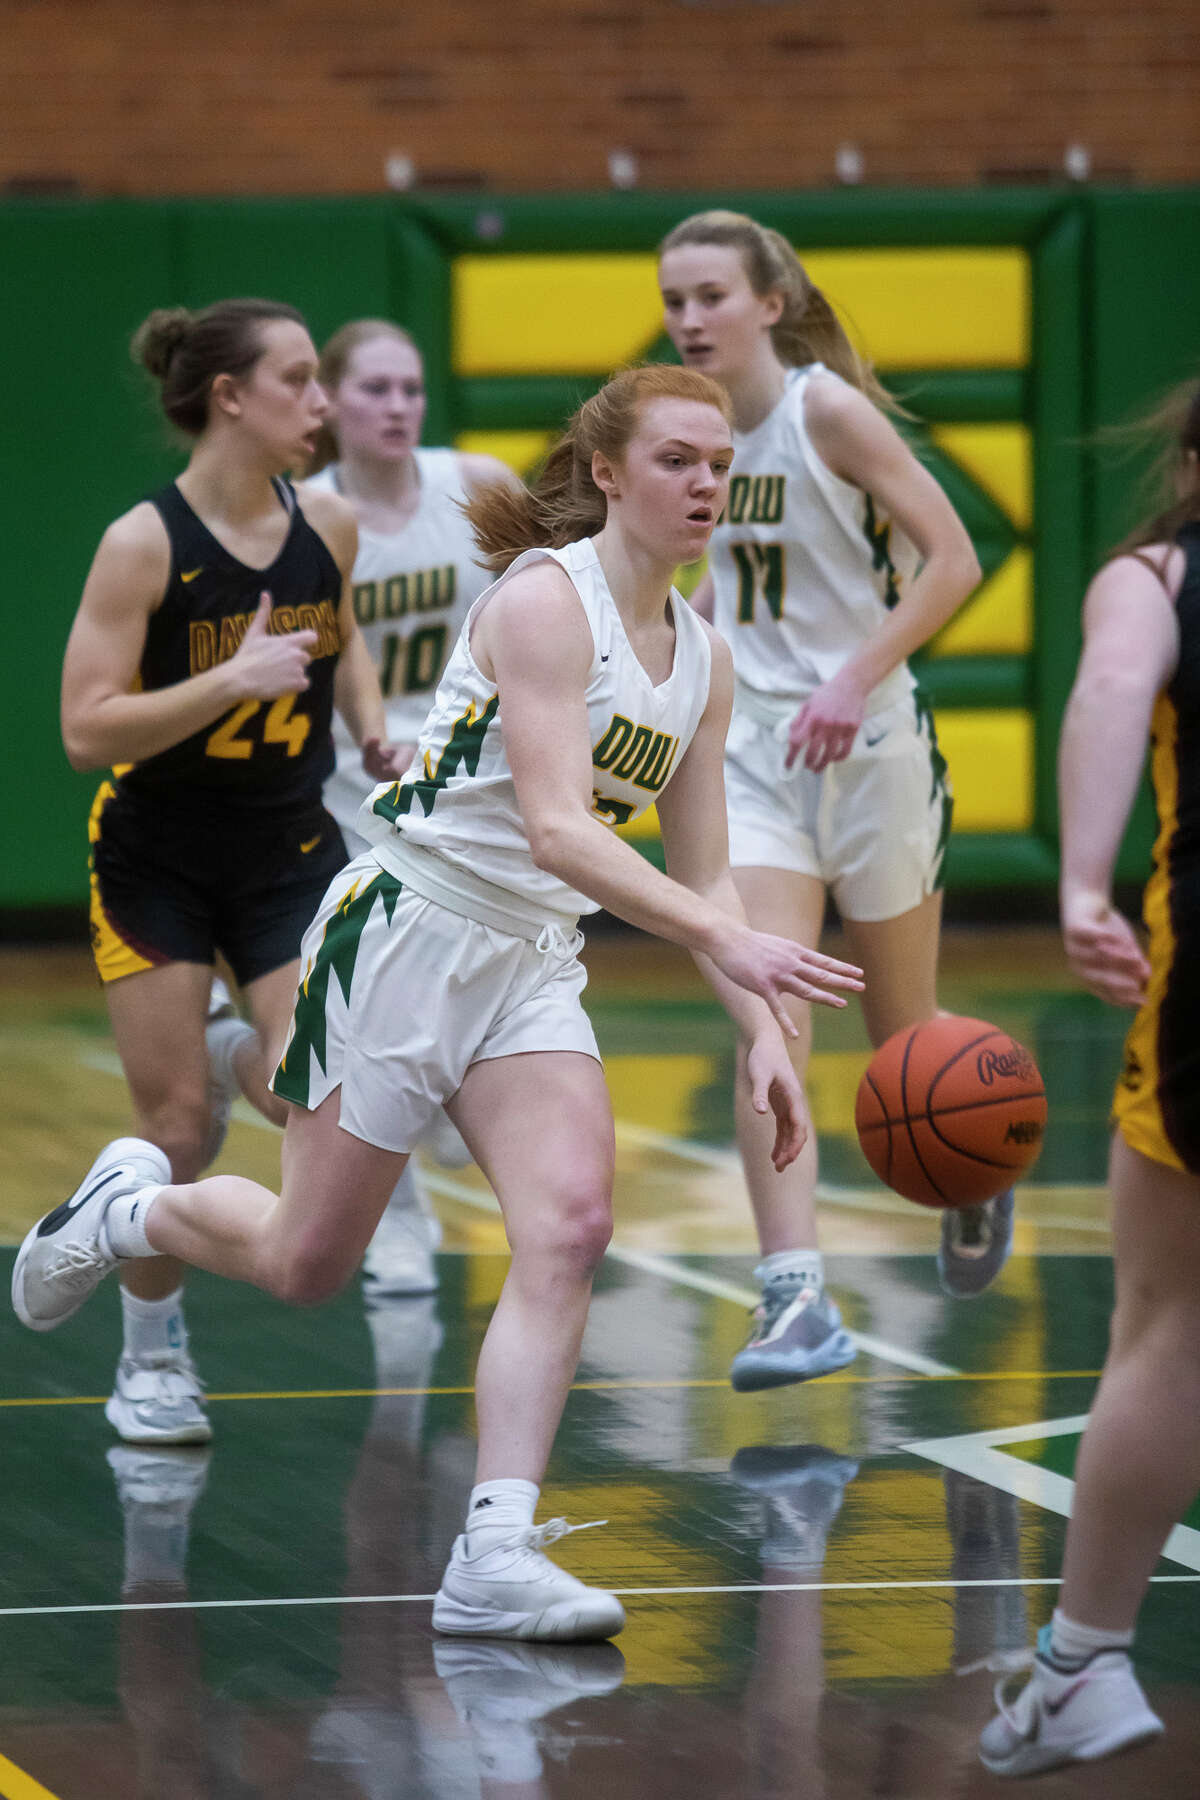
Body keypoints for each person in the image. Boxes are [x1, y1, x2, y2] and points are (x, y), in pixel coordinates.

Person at [15, 363, 864, 1642]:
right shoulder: (545, 601)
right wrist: (724, 943)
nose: (707, 485)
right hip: (409, 934)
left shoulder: (707, 658)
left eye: (721, 464)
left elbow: (705, 875)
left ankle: (494, 1552)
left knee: (570, 1228)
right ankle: (126, 1211)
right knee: (307, 1265)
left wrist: (764, 1034)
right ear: (607, 474)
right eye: (678, 461)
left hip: (529, 959)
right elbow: (560, 827)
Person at [657, 210, 995, 1396]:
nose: (688, 318)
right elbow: (721, 586)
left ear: (770, 303)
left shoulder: (826, 415)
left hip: (874, 747)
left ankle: (971, 1172)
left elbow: (957, 560)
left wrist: (852, 677)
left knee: (904, 1042)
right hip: (755, 754)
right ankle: (793, 1294)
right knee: (770, 1017)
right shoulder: (698, 434)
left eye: (709, 295)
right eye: (674, 300)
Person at [60, 298, 404, 1448]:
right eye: (299, 379)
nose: (323, 402)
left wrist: (369, 726)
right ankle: (152, 1357)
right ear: (230, 397)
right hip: (156, 854)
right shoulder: (143, 542)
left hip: (287, 851)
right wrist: (226, 682)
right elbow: (85, 729)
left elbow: (341, 634)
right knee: (176, 1131)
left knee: (309, 1098)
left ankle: (229, 1048)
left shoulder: (330, 522)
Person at [977, 382, 1200, 1775]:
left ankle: (1081, 1664)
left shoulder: (1157, 576)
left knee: (1170, 1323)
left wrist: (1077, 885)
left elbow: (1115, 686)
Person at [305, 318, 516, 1295]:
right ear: (330, 402)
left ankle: (453, 1097)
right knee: (362, 1007)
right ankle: (397, 1216)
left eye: (411, 388)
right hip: (346, 787)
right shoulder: (308, 513)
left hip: (469, 780)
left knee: (466, 981)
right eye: (376, 389)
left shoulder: (476, 485)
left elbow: (565, 592)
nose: (398, 407)